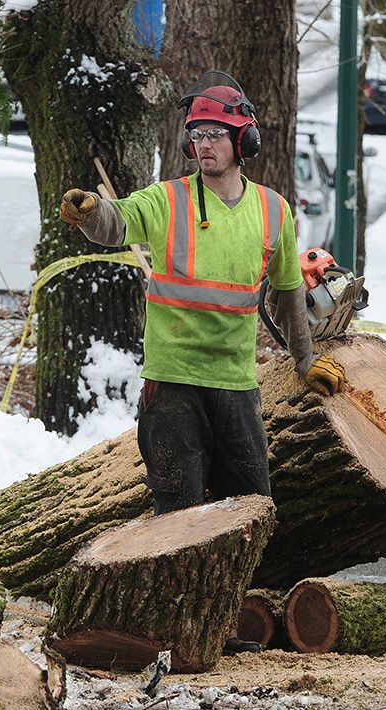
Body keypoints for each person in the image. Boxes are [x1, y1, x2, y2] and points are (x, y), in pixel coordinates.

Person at [58, 71, 346, 515]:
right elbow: (117, 222)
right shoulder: (167, 200)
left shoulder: (274, 209)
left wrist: (305, 359)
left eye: (215, 134)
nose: (205, 144)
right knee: (177, 515)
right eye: (197, 134)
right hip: (172, 385)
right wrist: (91, 211)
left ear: (244, 140)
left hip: (236, 385)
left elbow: (289, 291)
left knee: (252, 508)